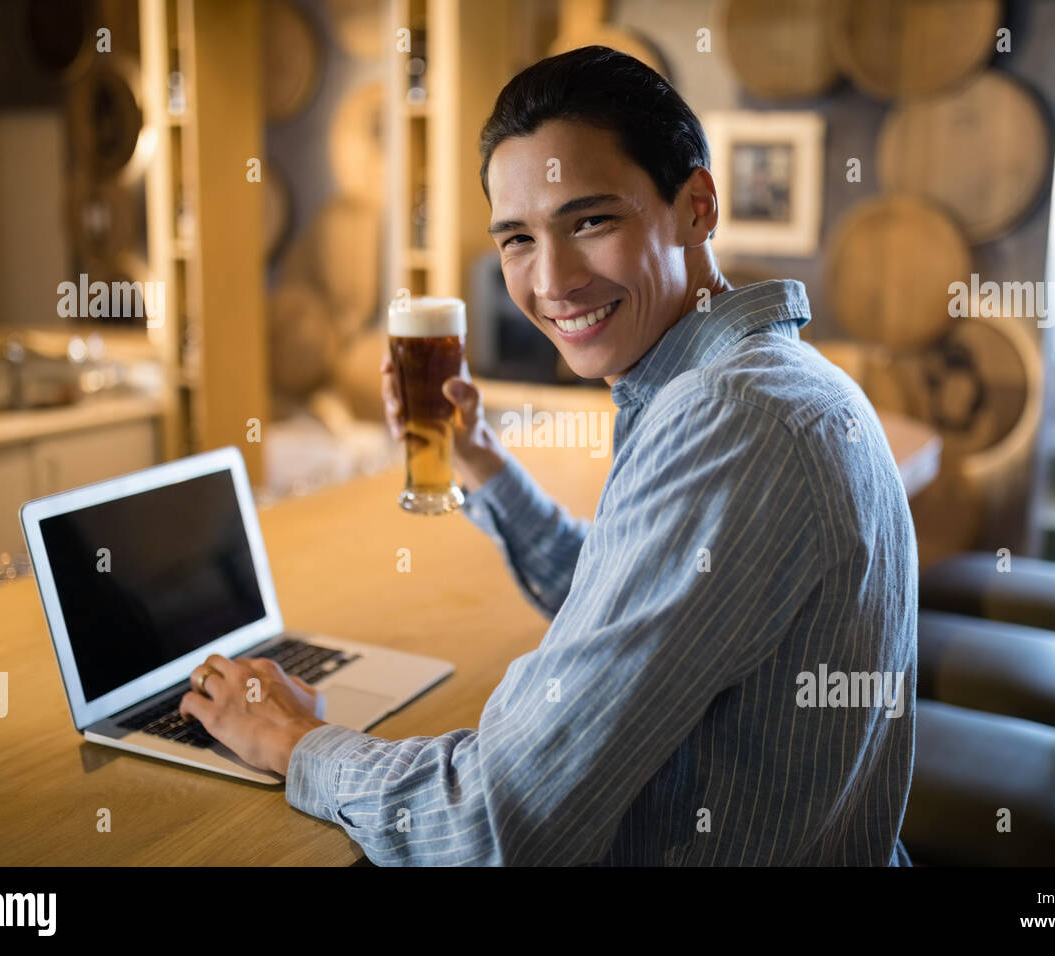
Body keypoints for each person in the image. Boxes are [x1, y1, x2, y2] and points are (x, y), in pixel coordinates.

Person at [180, 45, 918, 866]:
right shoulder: (761, 378)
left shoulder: (727, 417)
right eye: (518, 239)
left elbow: (498, 820)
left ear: (696, 207)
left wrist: (297, 743)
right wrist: (482, 461)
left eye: (590, 220)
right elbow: (638, 597)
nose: (552, 280)